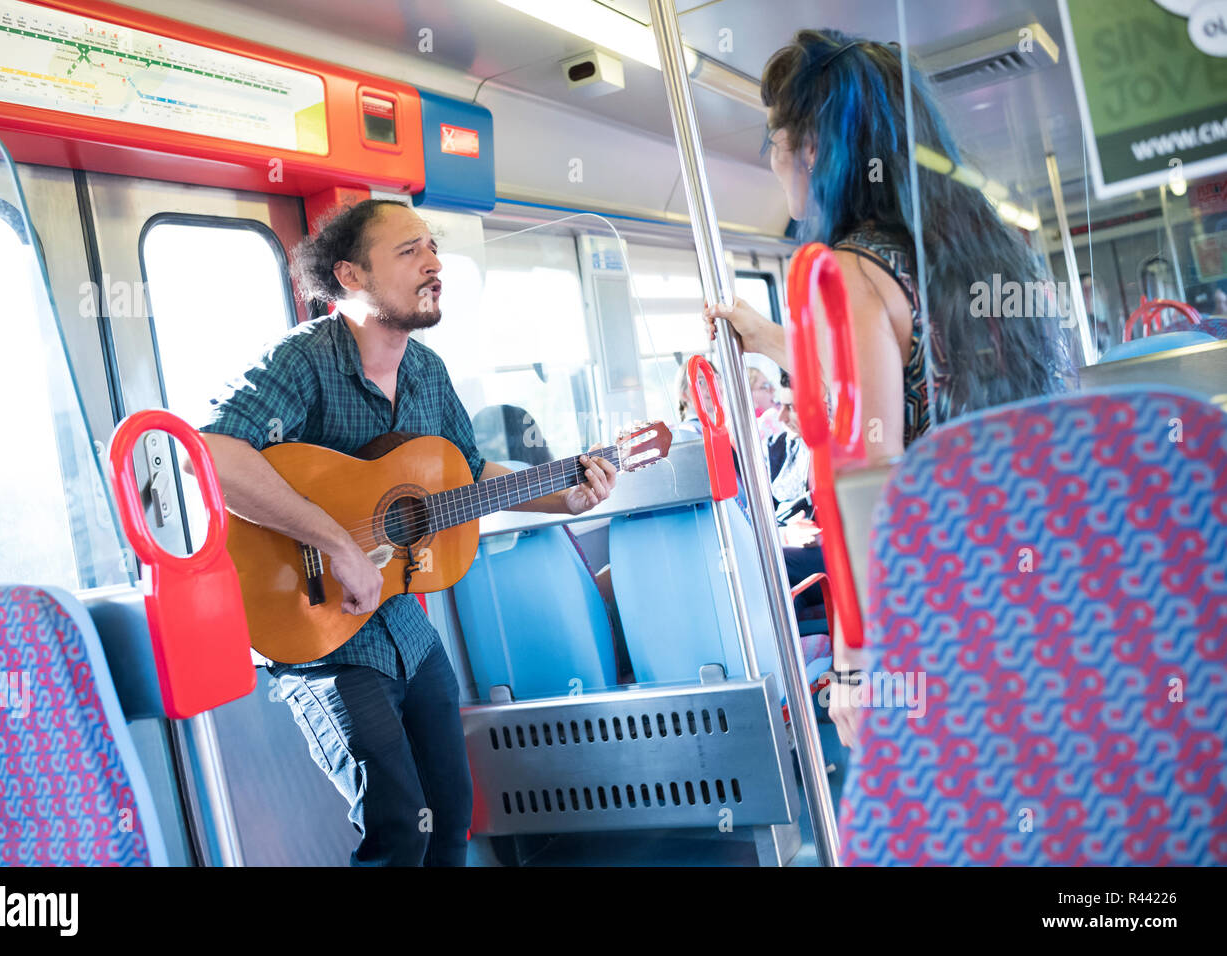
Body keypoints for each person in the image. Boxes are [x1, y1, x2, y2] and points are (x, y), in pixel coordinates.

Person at [198, 199, 617, 866]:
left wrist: (562, 494)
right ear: (351, 276)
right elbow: (213, 456)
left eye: (432, 247)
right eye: (408, 252)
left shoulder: (425, 371)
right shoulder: (303, 362)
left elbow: (469, 472)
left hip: (408, 636)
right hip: (325, 642)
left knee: (451, 820)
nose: (433, 263)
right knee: (401, 831)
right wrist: (336, 542)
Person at [703, 30, 1071, 749]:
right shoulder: (974, 250)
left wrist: (852, 664)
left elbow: (869, 483)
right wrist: (774, 341)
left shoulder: (842, 271)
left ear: (811, 148)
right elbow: (906, 377)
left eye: (773, 142)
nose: (775, 163)